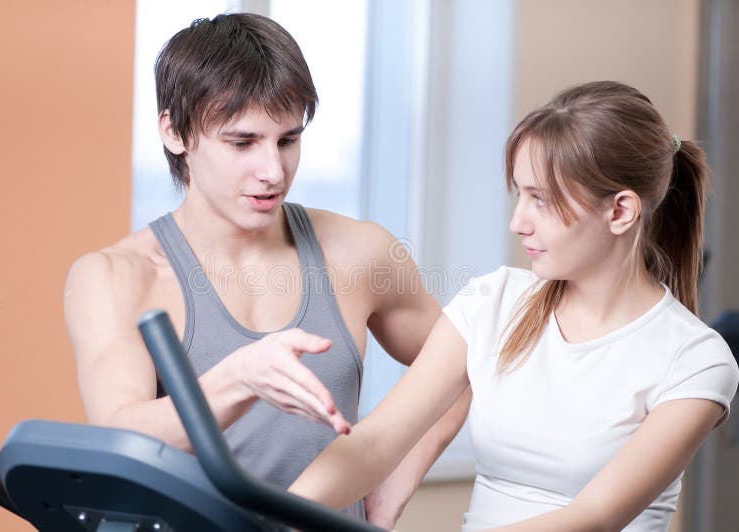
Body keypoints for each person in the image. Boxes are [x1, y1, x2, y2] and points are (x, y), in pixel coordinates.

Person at [63, 12, 470, 528]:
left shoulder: (359, 252)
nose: (273, 172)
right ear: (173, 132)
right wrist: (239, 379)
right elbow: (118, 440)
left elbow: (464, 364)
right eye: (242, 142)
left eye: (287, 140)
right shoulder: (114, 277)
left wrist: (394, 480)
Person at [289, 81, 739, 531]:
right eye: (519, 195)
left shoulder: (696, 359)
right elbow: (373, 445)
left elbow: (592, 518)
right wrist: (270, 518)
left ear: (620, 212)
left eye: (540, 199)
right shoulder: (493, 301)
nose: (517, 222)